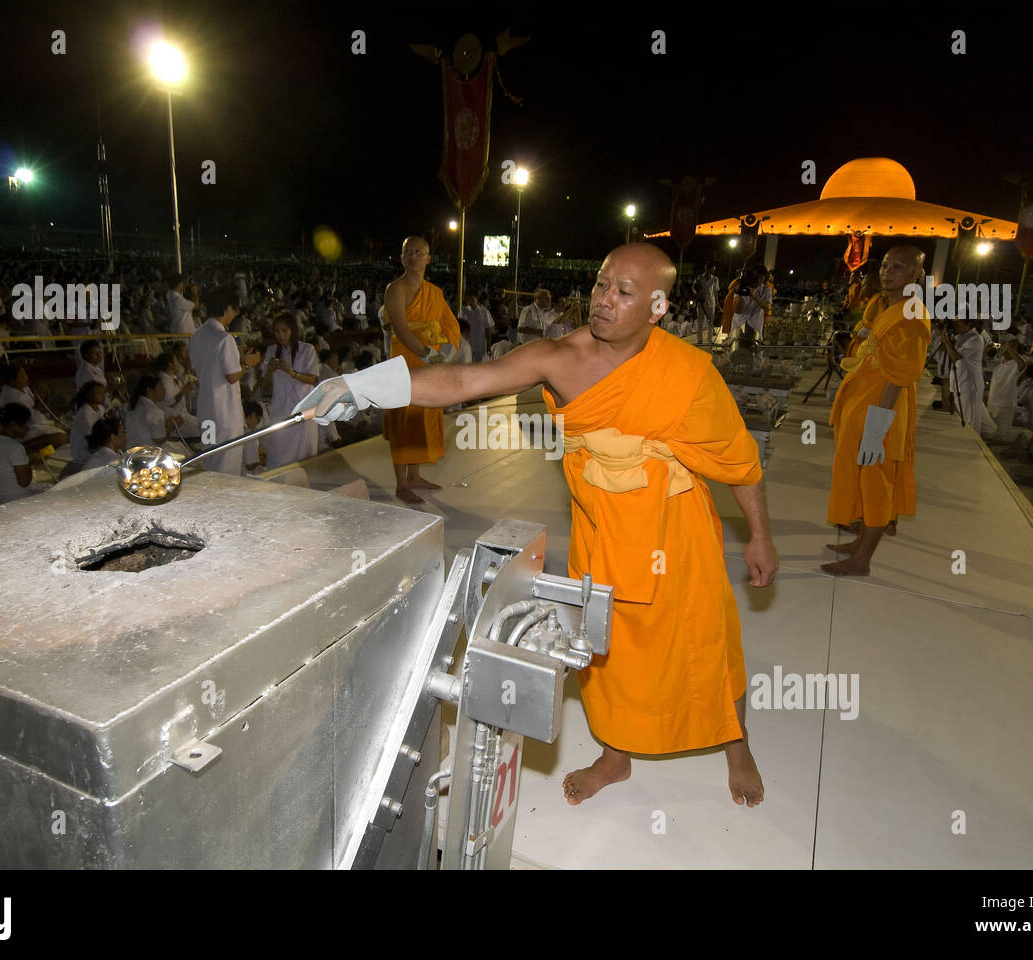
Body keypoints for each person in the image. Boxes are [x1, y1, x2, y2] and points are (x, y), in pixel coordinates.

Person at [297, 242, 775, 808]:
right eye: (601, 284)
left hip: (679, 535)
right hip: (604, 531)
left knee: (708, 640)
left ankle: (736, 744)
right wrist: (363, 387)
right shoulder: (560, 356)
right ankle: (615, 756)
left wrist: (760, 538)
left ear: (658, 308)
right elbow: (467, 382)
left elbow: (739, 460)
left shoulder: (690, 373)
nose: (603, 300)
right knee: (603, 648)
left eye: (623, 292)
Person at [823, 246, 932, 576]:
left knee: (876, 479)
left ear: (916, 275)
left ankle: (862, 561)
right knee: (860, 472)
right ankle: (859, 544)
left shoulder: (911, 315)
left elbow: (899, 378)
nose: (888, 271)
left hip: (882, 407)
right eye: (885, 265)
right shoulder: (891, 306)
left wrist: (877, 427)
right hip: (863, 401)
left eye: (899, 267)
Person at [380, 235, 461, 504]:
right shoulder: (396, 288)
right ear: (402, 257)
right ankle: (401, 483)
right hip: (405, 362)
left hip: (428, 364)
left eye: (419, 252)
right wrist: (427, 354)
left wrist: (447, 350)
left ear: (428, 258)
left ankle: (414, 475)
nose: (413, 256)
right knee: (404, 419)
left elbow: (449, 324)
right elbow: (401, 329)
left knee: (421, 418)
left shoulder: (434, 292)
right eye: (408, 251)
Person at [189, 286, 261, 475]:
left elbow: (200, 369)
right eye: (234, 309)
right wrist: (246, 364)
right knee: (226, 467)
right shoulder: (224, 338)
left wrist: (239, 361)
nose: (234, 314)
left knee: (208, 460)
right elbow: (231, 376)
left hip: (206, 413)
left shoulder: (197, 336)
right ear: (227, 308)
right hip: (225, 416)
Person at [261, 311, 319, 468]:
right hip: (280, 409)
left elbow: (313, 379)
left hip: (302, 408)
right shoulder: (272, 350)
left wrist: (291, 372)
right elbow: (264, 383)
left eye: (284, 331)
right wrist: (270, 370)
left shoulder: (307, 349)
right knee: (279, 455)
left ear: (292, 330)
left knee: (303, 457)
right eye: (277, 331)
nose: (281, 335)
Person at [939, 314, 995, 433]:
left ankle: (973, 444)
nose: (955, 325)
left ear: (969, 324)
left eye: (959, 322)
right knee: (965, 415)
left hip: (970, 384)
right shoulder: (962, 336)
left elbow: (956, 357)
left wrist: (946, 341)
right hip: (961, 382)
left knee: (970, 420)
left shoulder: (975, 339)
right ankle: (989, 431)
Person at [0, 403, 50, 504]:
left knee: (42, 487)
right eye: (25, 424)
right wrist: (30, 463)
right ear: (13, 425)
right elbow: (24, 482)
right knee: (54, 491)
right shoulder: (15, 447)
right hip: (14, 499)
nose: (28, 428)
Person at [0, 364, 67, 452]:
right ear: (12, 381)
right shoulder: (15, 398)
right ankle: (25, 449)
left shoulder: (21, 388)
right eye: (22, 376)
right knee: (62, 438)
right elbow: (29, 422)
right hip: (23, 431)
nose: (26, 378)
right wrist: (39, 404)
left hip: (32, 423)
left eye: (25, 374)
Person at [127, 375, 180, 448]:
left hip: (133, 450)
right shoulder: (154, 410)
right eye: (161, 387)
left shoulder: (138, 403)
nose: (164, 390)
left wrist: (165, 425)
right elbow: (159, 439)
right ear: (149, 390)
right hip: (147, 453)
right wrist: (171, 427)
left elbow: (145, 428)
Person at [458, 292, 495, 362]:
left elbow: (487, 329)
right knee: (467, 363)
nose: (470, 301)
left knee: (480, 365)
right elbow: (460, 327)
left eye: (472, 299)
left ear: (476, 299)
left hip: (480, 344)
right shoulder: (463, 311)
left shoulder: (484, 311)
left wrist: (489, 346)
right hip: (467, 342)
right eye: (468, 299)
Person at [695, 262, 719, 344]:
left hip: (711, 302)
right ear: (708, 268)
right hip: (701, 303)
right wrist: (697, 293)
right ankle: (699, 340)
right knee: (700, 322)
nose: (713, 271)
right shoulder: (699, 278)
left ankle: (709, 340)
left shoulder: (715, 279)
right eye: (712, 269)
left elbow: (715, 292)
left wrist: (717, 303)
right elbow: (694, 288)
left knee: (711, 322)